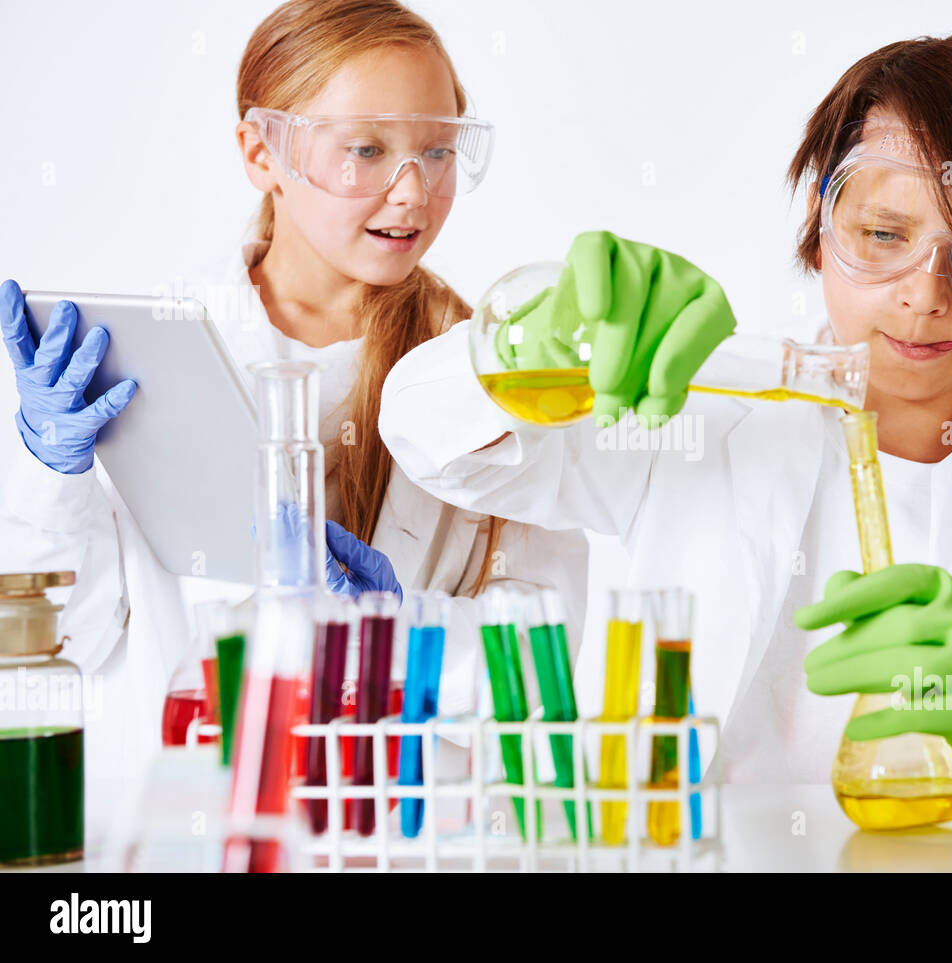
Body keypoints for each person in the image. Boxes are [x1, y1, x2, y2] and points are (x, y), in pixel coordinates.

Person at [378, 29, 952, 794]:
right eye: (883, 233)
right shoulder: (691, 412)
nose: (925, 295)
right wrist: (543, 331)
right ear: (819, 228)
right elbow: (429, 439)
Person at [0, 0, 586, 845]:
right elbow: (71, 641)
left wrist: (405, 631)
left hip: (403, 840)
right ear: (260, 152)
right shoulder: (155, 350)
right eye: (366, 150)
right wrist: (51, 475)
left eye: (438, 149)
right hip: (187, 838)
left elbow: (543, 668)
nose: (413, 190)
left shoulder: (499, 372)